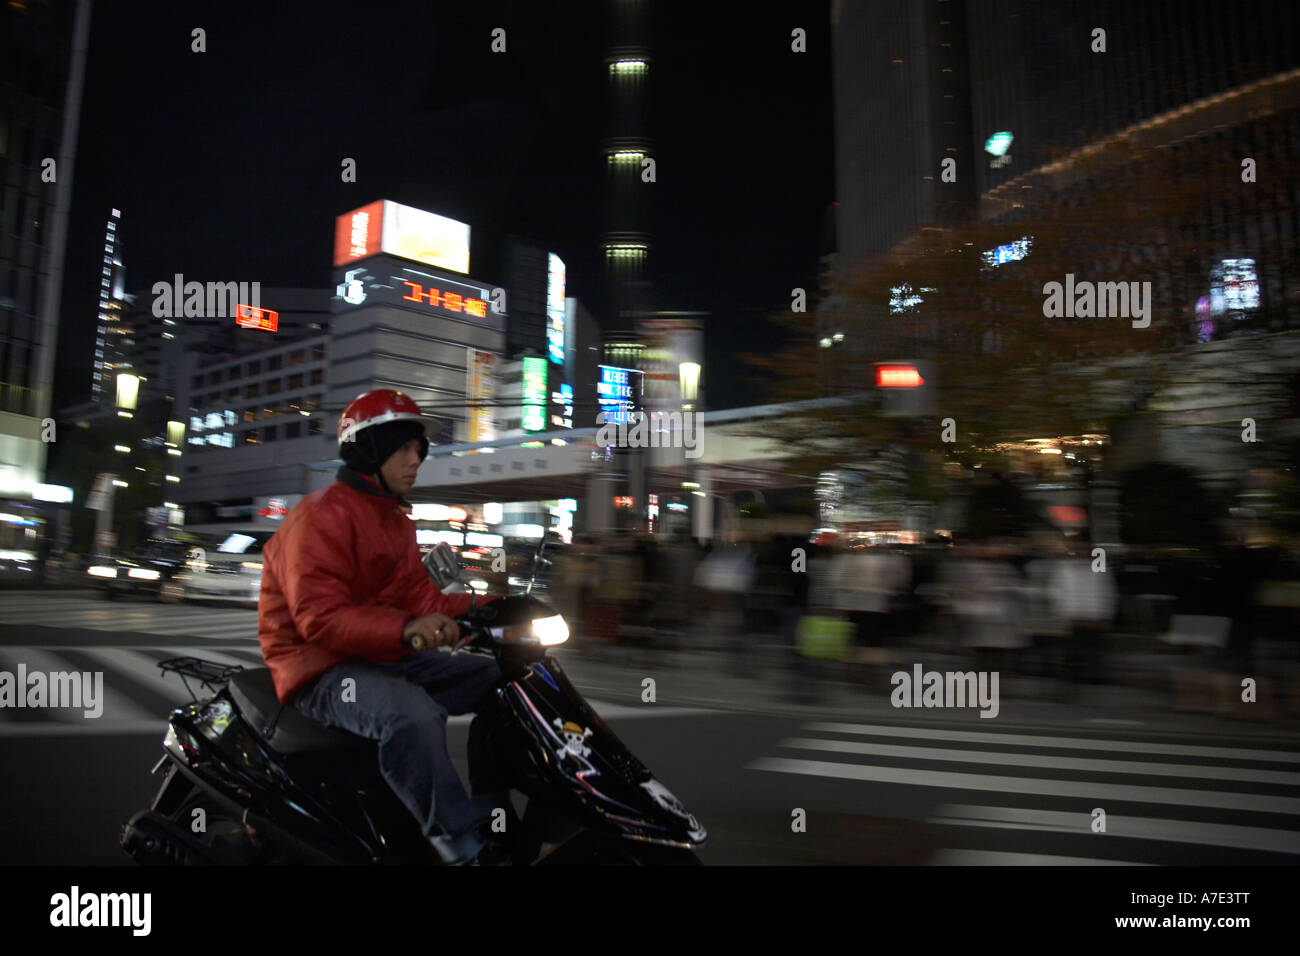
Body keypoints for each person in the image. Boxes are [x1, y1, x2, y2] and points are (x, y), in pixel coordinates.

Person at [257, 389, 506, 865]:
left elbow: (422, 600)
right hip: (319, 669)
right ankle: (456, 841)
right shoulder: (319, 515)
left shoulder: (395, 523)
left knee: (503, 680)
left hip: (380, 654)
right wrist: (409, 628)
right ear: (370, 450)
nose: (417, 460)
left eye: (419, 450)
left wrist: (496, 607)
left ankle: (494, 810)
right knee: (410, 714)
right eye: (405, 448)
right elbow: (320, 620)